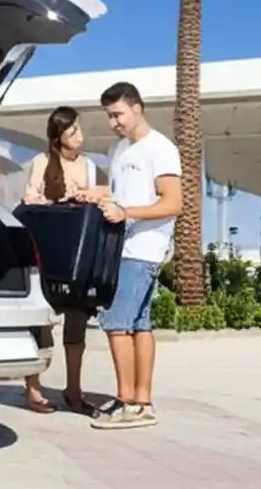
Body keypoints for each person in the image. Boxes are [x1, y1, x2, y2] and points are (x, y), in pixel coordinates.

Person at [84, 81, 182, 430]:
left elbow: (173, 203)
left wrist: (127, 213)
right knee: (139, 324)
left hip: (143, 250)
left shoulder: (161, 149)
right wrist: (92, 193)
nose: (114, 122)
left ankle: (127, 403)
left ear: (137, 108)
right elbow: (118, 193)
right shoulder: (119, 149)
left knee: (115, 322)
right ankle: (141, 402)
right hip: (119, 247)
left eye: (118, 114)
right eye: (109, 116)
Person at [19, 106, 97, 415]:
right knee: (42, 319)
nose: (79, 135)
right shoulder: (41, 162)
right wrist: (56, 200)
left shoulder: (88, 165)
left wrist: (85, 196)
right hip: (48, 248)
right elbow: (29, 200)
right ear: (58, 137)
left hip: (76, 250)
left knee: (77, 318)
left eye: (79, 128)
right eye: (72, 131)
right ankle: (33, 390)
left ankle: (74, 389)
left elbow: (96, 199)